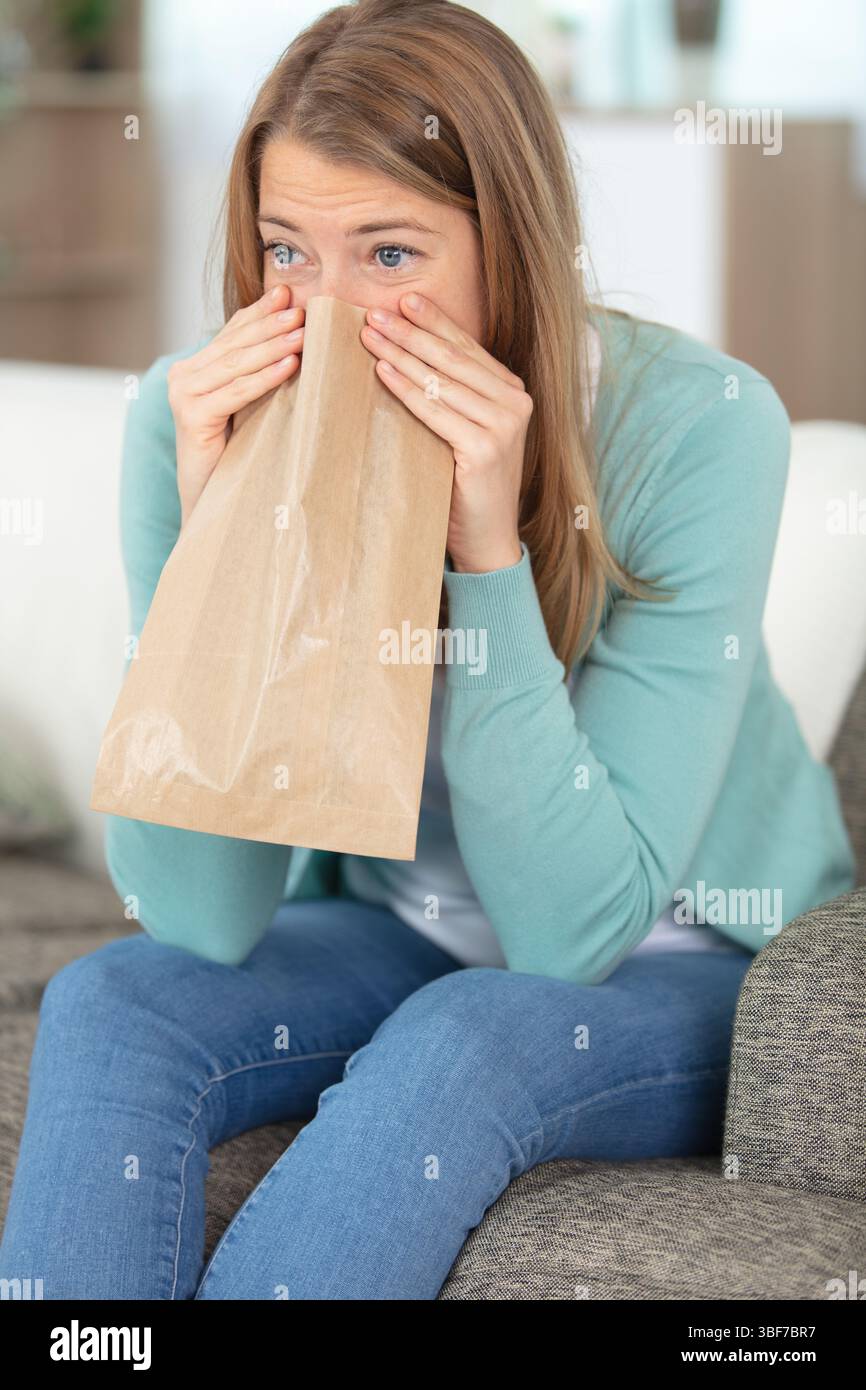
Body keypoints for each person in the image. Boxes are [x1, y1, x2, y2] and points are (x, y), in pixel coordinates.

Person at [0, 0, 854, 1300]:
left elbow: (572, 933)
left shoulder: (698, 424)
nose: (329, 313)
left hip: (680, 957)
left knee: (466, 1033)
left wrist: (485, 553)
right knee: (116, 1002)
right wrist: (221, 548)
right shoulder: (198, 416)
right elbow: (200, 911)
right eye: (288, 251)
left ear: (507, 248)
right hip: (402, 924)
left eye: (389, 253)